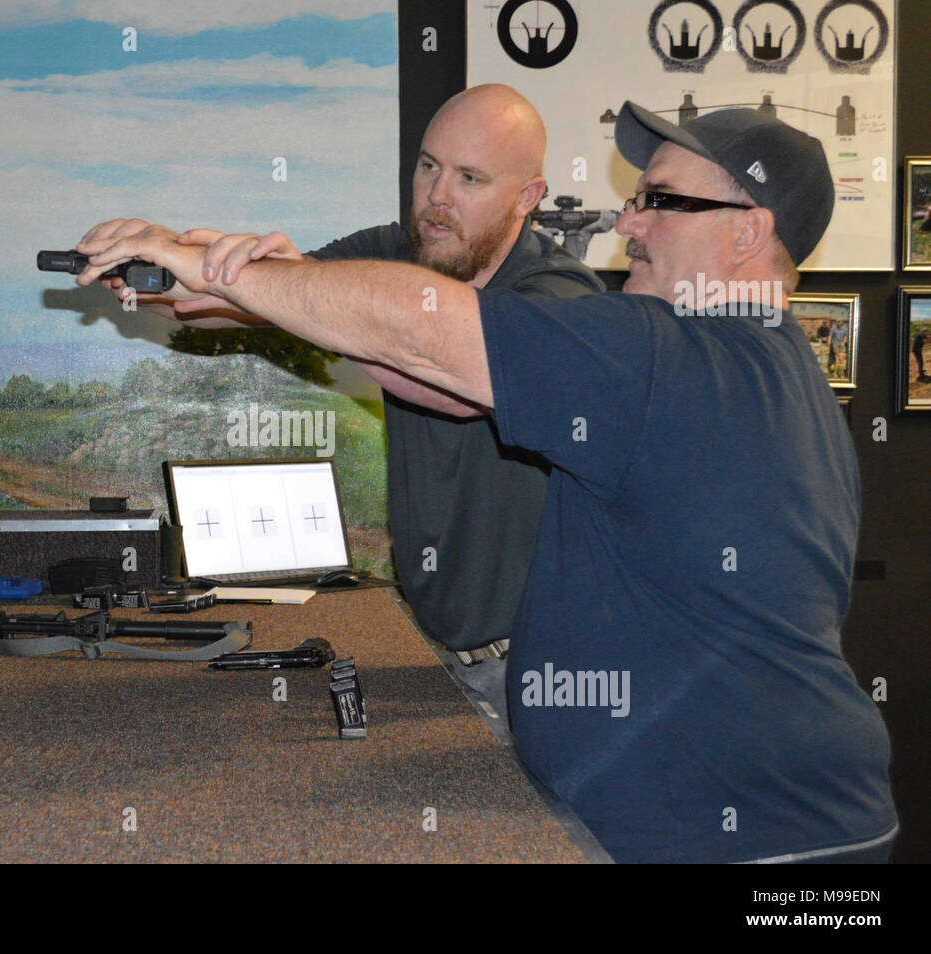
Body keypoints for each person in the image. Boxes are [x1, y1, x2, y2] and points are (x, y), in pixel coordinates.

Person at [76, 101, 899, 863]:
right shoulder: (756, 356)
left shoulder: (663, 353)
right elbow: (432, 371)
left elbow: (429, 342)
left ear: (750, 234)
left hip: (753, 843)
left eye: (660, 202)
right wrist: (223, 278)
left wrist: (223, 272)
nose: (628, 220)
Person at [80, 85, 604, 742]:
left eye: (469, 177)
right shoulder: (395, 252)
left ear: (528, 197)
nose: (437, 195)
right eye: (428, 166)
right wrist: (154, 262)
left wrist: (281, 289)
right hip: (437, 655)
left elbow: (447, 367)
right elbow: (238, 301)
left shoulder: (559, 299)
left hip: (536, 674)